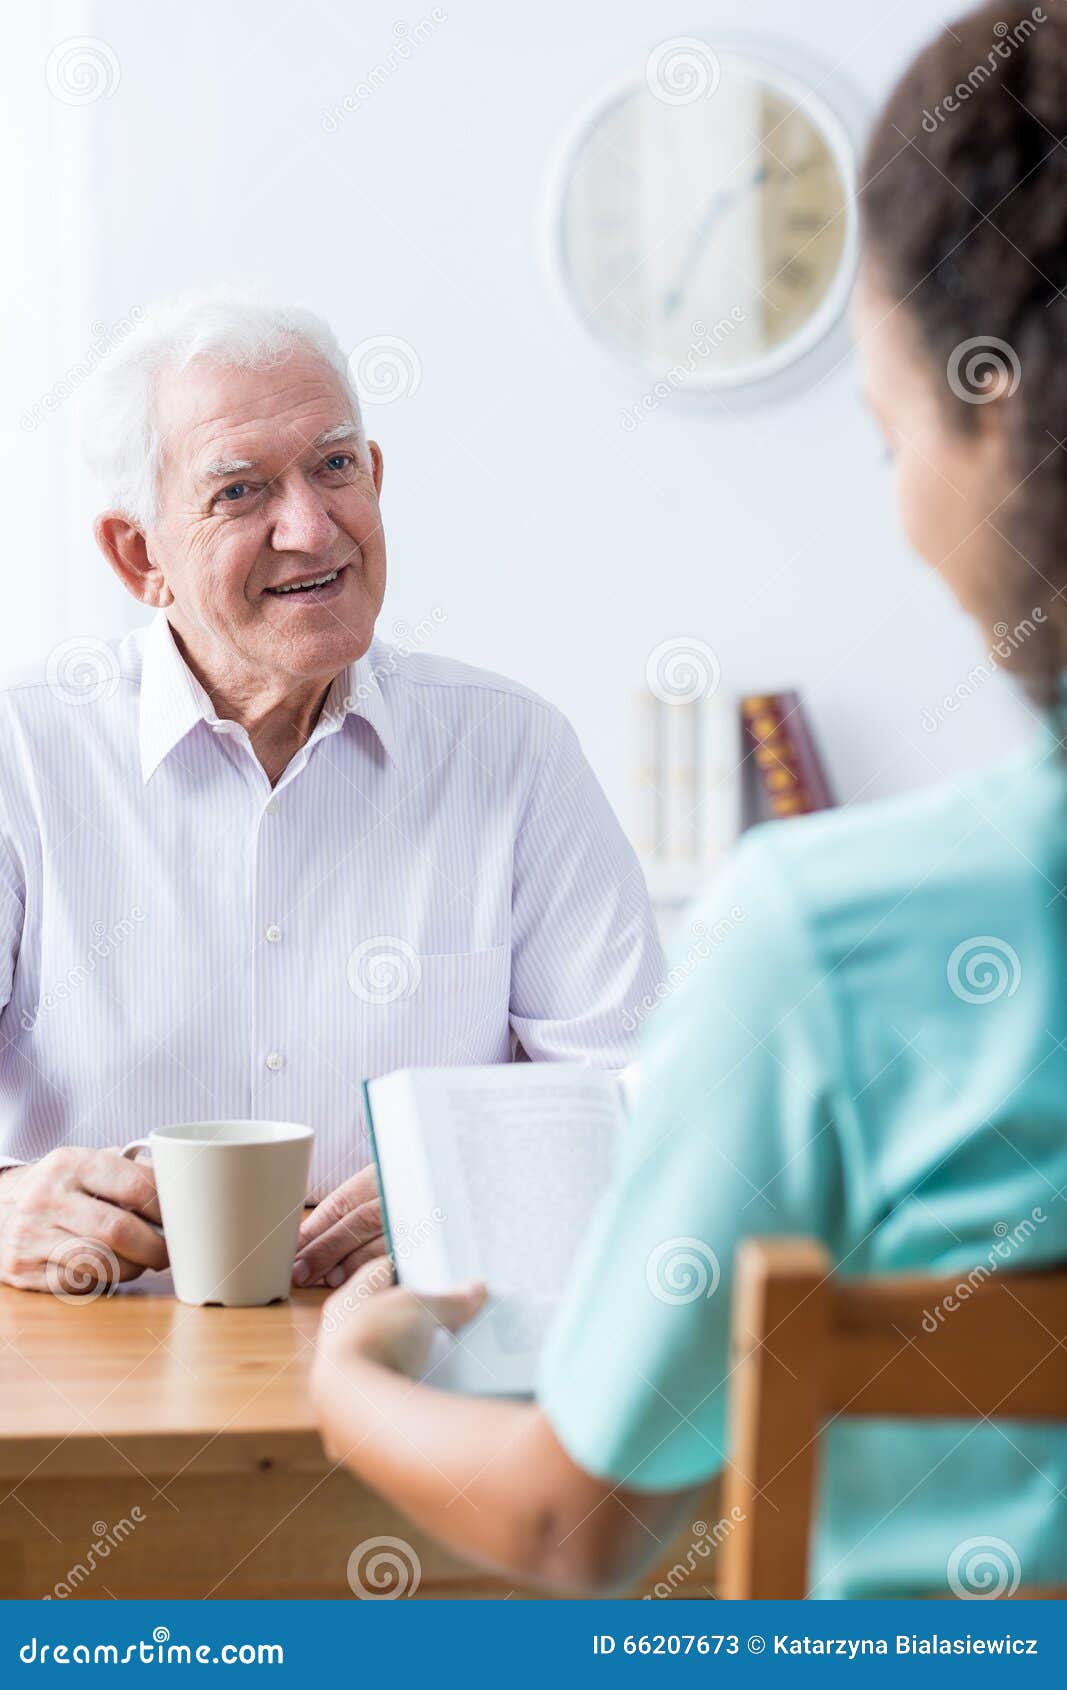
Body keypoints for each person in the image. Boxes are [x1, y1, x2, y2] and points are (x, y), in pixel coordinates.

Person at [311, 2, 1067, 1599]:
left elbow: (570, 1521)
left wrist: (346, 1379)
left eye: (883, 432)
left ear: (993, 411)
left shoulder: (827, 940)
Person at [0, 291, 663, 1295]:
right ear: (140, 556)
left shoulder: (512, 749)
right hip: (90, 1351)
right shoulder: (23, 750)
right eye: (239, 492)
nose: (311, 529)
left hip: (421, 1349)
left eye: (334, 466)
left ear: (375, 477)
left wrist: (466, 1191)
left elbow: (635, 1099)